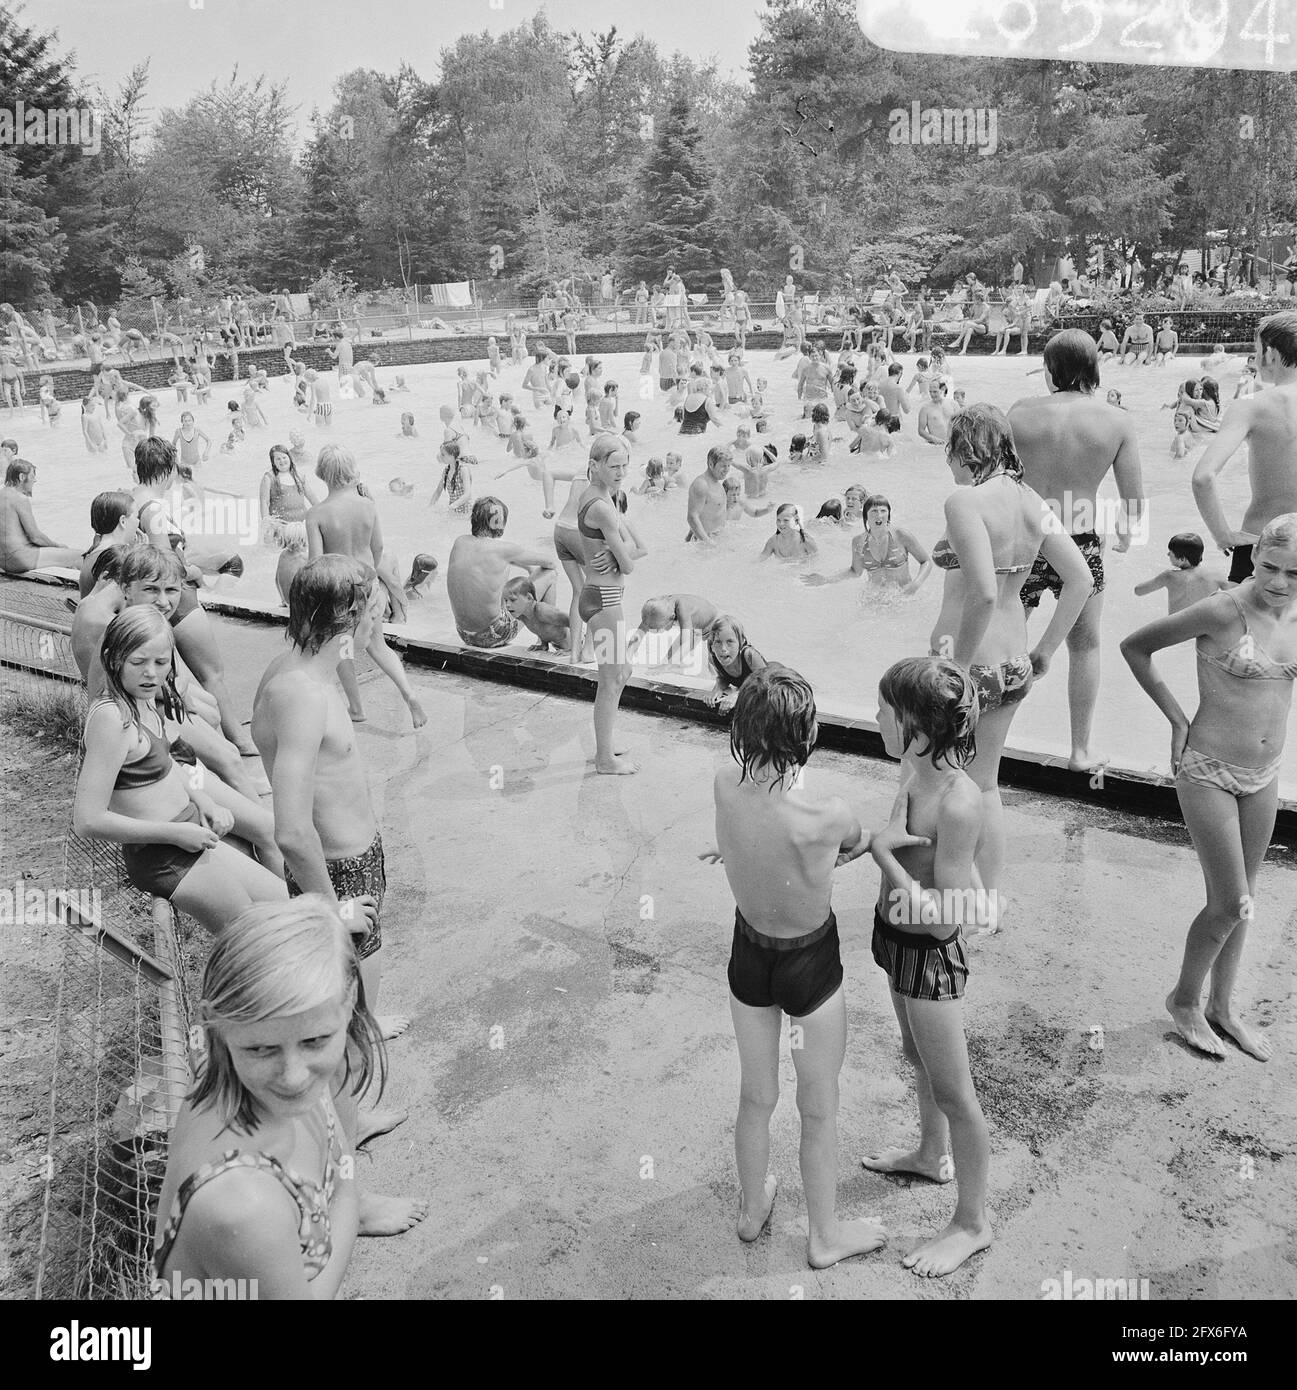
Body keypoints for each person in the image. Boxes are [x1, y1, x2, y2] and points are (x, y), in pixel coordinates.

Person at [698, 664, 889, 1268]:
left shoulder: (723, 785)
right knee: (818, 1106)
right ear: (805, 735)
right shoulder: (825, 814)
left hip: (749, 957)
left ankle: (753, 1209)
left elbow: (741, 838)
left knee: (756, 1096)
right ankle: (825, 1237)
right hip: (808, 967)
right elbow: (855, 843)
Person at [1120, 513, 1297, 1062]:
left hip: (1264, 775)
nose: (1279, 583)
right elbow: (1135, 647)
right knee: (1227, 903)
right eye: (1269, 567)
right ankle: (1184, 1001)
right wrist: (1177, 721)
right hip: (1208, 771)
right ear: (1254, 556)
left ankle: (1223, 1007)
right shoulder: (1224, 609)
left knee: (1246, 900)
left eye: (1295, 573)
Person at [151, 898, 383, 1298]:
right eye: (261, 1049)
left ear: (346, 1005)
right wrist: (347, 1204)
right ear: (217, 1024)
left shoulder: (245, 1067)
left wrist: (346, 1199)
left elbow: (343, 1178)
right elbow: (344, 1186)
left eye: (315, 1041)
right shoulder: (243, 1205)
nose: (293, 1078)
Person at [930, 405, 1091, 924]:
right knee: (985, 785)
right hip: (1014, 662)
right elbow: (1082, 579)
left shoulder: (965, 501)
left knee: (943, 786)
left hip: (968, 669)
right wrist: (1046, 648)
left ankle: (956, 903)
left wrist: (954, 668)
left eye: (949, 451)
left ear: (964, 449)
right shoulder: (1031, 502)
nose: (948, 464)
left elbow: (978, 594)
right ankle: (988, 902)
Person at [862, 656, 993, 1277]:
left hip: (928, 955)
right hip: (895, 939)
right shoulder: (916, 774)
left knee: (955, 1091)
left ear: (915, 723)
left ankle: (972, 1223)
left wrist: (884, 861)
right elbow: (893, 834)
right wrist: (850, 845)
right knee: (917, 1059)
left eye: (884, 709)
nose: (875, 716)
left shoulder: (959, 802)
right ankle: (930, 1153)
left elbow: (945, 920)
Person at [73, 606, 287, 931]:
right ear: (114, 658)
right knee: (256, 937)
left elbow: (166, 764)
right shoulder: (111, 718)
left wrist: (204, 800)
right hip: (165, 856)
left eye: (161, 663)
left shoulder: (142, 699)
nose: (151, 674)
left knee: (287, 905)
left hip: (189, 835)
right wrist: (175, 834)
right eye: (139, 662)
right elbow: (87, 821)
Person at [1009, 329, 1146, 769]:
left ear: (1050, 371)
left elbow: (1000, 481)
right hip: (1079, 542)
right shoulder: (1117, 421)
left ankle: (986, 735)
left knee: (1006, 635)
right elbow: (1134, 501)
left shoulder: (1020, 413)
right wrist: (1123, 533)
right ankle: (1079, 751)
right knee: (1084, 644)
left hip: (1025, 538)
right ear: (1093, 368)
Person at [305, 444, 424, 727]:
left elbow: (316, 562)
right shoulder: (368, 506)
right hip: (369, 584)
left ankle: (357, 708)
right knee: (379, 646)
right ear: (350, 471)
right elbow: (378, 548)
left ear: (322, 473)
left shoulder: (317, 515)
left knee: (343, 649)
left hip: (339, 588)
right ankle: (409, 694)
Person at [1194, 311, 1297, 586]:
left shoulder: (1251, 405)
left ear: (1271, 354)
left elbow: (1203, 478)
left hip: (1261, 544)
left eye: (1257, 349)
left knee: (1243, 628)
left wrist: (1222, 535)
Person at [575, 436, 645, 773]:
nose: (620, 473)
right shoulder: (601, 506)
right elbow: (630, 561)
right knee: (611, 679)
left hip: (601, 598)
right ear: (595, 465)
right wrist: (621, 559)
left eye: (624, 466)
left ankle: (606, 742)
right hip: (603, 601)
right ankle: (604, 758)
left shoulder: (600, 496)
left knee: (621, 672)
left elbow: (628, 547)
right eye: (613, 466)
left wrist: (619, 555)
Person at [447, 496, 557, 650]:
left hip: (464, 634)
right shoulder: (505, 550)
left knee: (514, 586)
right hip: (494, 634)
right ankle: (546, 638)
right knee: (550, 574)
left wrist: (527, 568)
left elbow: (489, 557)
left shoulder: (460, 542)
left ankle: (544, 638)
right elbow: (551, 562)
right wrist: (531, 570)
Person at [0, 459, 86, 574]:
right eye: (32, 476)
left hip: (4, 561)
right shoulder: (19, 498)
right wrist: (58, 546)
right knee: (81, 556)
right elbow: (35, 537)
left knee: (62, 556)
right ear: (21, 477)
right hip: (20, 559)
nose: (35, 480)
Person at [1135, 532, 1227, 614]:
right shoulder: (1216, 575)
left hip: (1178, 629)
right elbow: (1234, 595)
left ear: (1182, 559)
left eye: (1171, 553)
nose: (1168, 554)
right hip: (1205, 627)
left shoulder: (1169, 576)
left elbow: (1138, 591)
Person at [626, 593, 719, 667]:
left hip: (710, 623)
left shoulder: (683, 611)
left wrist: (667, 665)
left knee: (714, 657)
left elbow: (686, 644)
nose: (656, 632)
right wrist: (628, 657)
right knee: (668, 659)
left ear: (672, 617)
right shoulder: (655, 610)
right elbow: (638, 635)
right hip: (694, 623)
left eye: (659, 629)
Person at [79, 490, 141, 596]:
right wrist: (141, 554)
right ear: (123, 521)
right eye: (136, 517)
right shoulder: (114, 559)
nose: (138, 522)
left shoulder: (95, 551)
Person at [703, 615, 766, 711]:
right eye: (718, 642)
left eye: (730, 642)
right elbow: (723, 677)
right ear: (712, 645)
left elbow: (765, 684)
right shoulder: (714, 659)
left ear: (740, 643)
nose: (723, 649)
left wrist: (737, 696)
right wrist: (717, 689)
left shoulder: (749, 655)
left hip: (774, 676)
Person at [502, 575, 570, 653]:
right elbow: (542, 628)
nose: (507, 605)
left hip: (579, 643)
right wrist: (543, 645)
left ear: (529, 598)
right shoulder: (522, 616)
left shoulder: (542, 611)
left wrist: (573, 649)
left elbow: (573, 621)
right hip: (561, 647)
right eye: (506, 600)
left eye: (512, 600)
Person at [686, 446, 733, 545]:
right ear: (711, 464)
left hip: (716, 538)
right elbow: (692, 517)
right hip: (706, 543)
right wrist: (708, 542)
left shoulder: (717, 484)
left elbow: (704, 514)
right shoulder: (701, 485)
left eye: (729, 465)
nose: (727, 469)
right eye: (723, 466)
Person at [677, 364, 723, 435]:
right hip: (697, 434)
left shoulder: (688, 397)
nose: (709, 391)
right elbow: (714, 419)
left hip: (682, 432)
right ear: (705, 388)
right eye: (709, 389)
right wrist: (725, 429)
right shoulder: (707, 400)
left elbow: (683, 416)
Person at [917, 380, 952, 446]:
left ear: (942, 390)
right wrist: (933, 439)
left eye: (935, 392)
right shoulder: (925, 408)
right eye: (930, 392)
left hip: (951, 444)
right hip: (935, 446)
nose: (932, 394)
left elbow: (961, 425)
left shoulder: (953, 404)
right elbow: (921, 430)